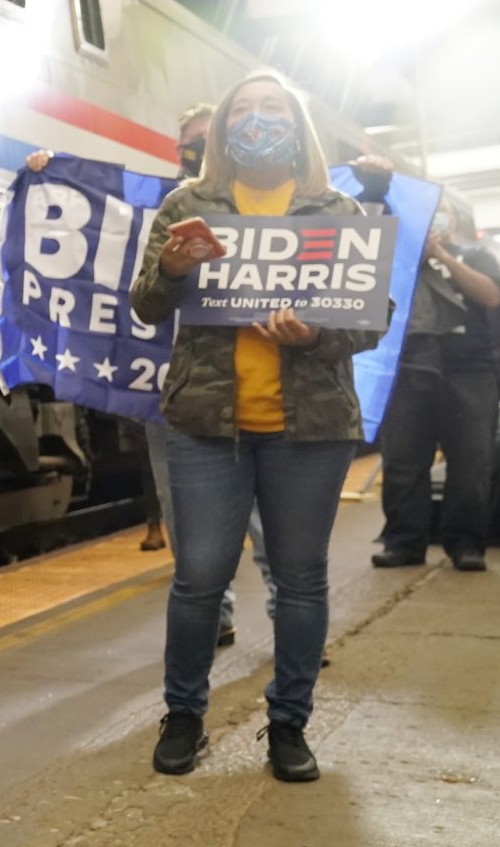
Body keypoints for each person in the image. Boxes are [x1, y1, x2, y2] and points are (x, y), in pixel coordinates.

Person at [132, 70, 379, 783]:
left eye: (272, 107)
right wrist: (171, 269)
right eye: (243, 108)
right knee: (198, 578)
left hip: (311, 428)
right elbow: (146, 304)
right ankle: (184, 715)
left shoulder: (336, 210)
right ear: (222, 129)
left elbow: (371, 319)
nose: (257, 119)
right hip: (206, 425)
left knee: (300, 580)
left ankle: (289, 725)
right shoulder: (189, 205)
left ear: (297, 125)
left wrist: (315, 336)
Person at [27, 107, 277, 642]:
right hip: (173, 388)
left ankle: (291, 614)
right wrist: (52, 175)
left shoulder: (260, 204)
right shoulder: (169, 207)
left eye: (207, 139)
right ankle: (214, 616)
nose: (198, 149)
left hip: (246, 387)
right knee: (183, 510)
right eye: (189, 143)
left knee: (264, 511)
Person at [353, 157, 500, 571]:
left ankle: (466, 544)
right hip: (408, 370)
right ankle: (403, 542)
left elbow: (491, 296)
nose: (435, 216)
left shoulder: (475, 254)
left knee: (471, 462)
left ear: (451, 219)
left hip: (469, 371)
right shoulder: (395, 258)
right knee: (403, 461)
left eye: (442, 210)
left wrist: (439, 253)